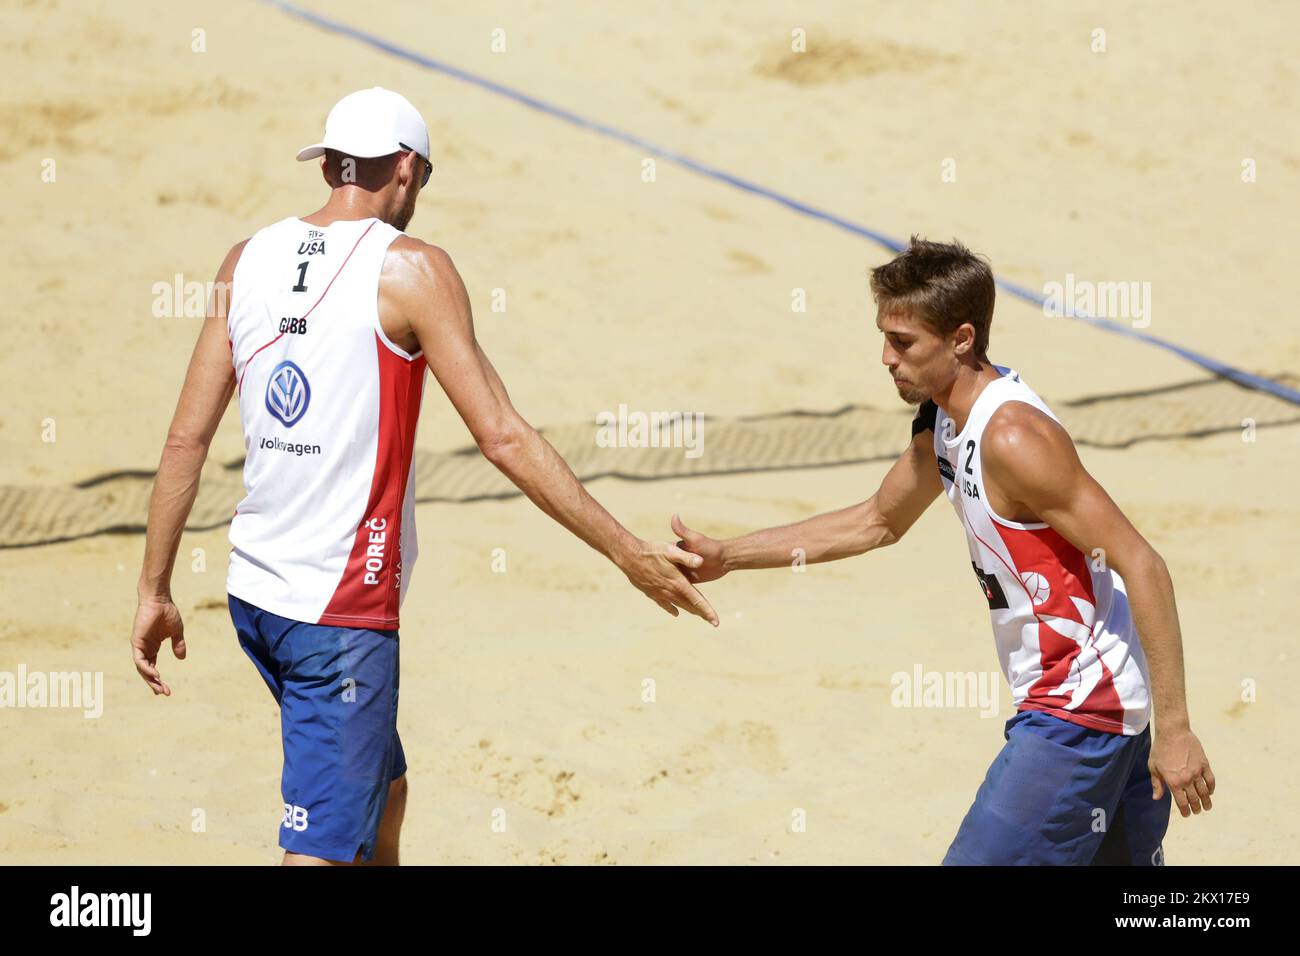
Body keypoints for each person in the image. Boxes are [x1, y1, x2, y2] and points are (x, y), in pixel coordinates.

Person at [130, 87, 716, 866]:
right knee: (322, 848)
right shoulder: (412, 270)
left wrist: (154, 591)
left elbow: (184, 441)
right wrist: (627, 552)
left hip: (256, 598)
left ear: (332, 163)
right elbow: (503, 436)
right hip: (338, 616)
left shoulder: (247, 258)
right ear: (405, 169)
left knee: (384, 791)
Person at [671, 237, 1215, 865]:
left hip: (1079, 708)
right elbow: (877, 521)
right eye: (884, 336)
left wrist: (1175, 730)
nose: (885, 357)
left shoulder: (1013, 439)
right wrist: (728, 556)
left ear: (961, 339)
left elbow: (1144, 564)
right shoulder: (943, 422)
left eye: (903, 342)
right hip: (1101, 703)